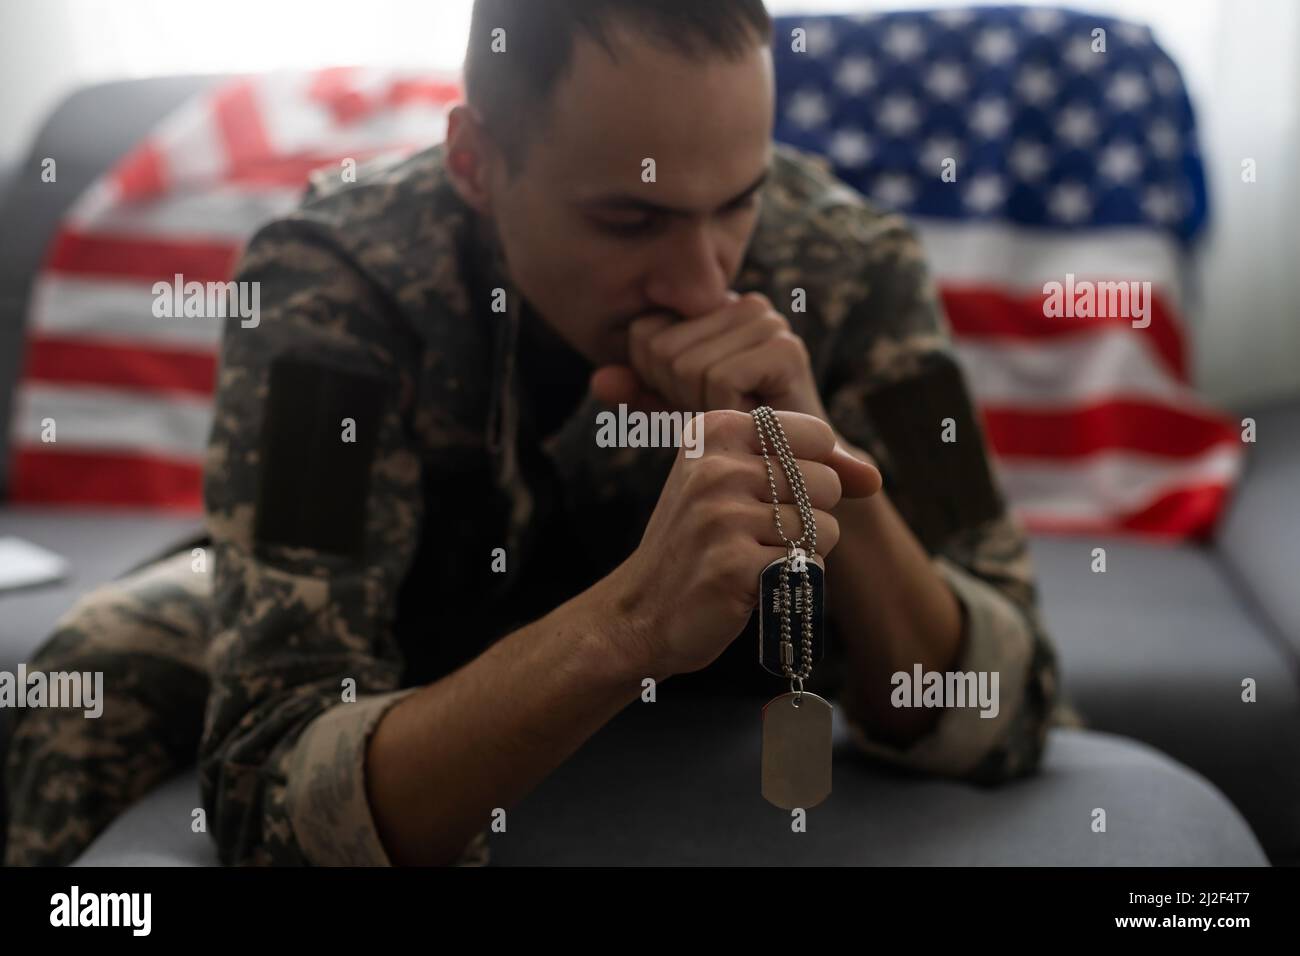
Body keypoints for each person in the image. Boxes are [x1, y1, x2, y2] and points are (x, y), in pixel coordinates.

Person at [3, 0, 1071, 867]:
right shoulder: (338, 280)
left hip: (738, 652)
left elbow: (1007, 703)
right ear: (475, 161)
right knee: (90, 674)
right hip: (405, 633)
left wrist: (828, 469)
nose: (705, 281)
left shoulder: (848, 260)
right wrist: (629, 623)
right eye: (628, 220)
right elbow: (271, 792)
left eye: (737, 201)